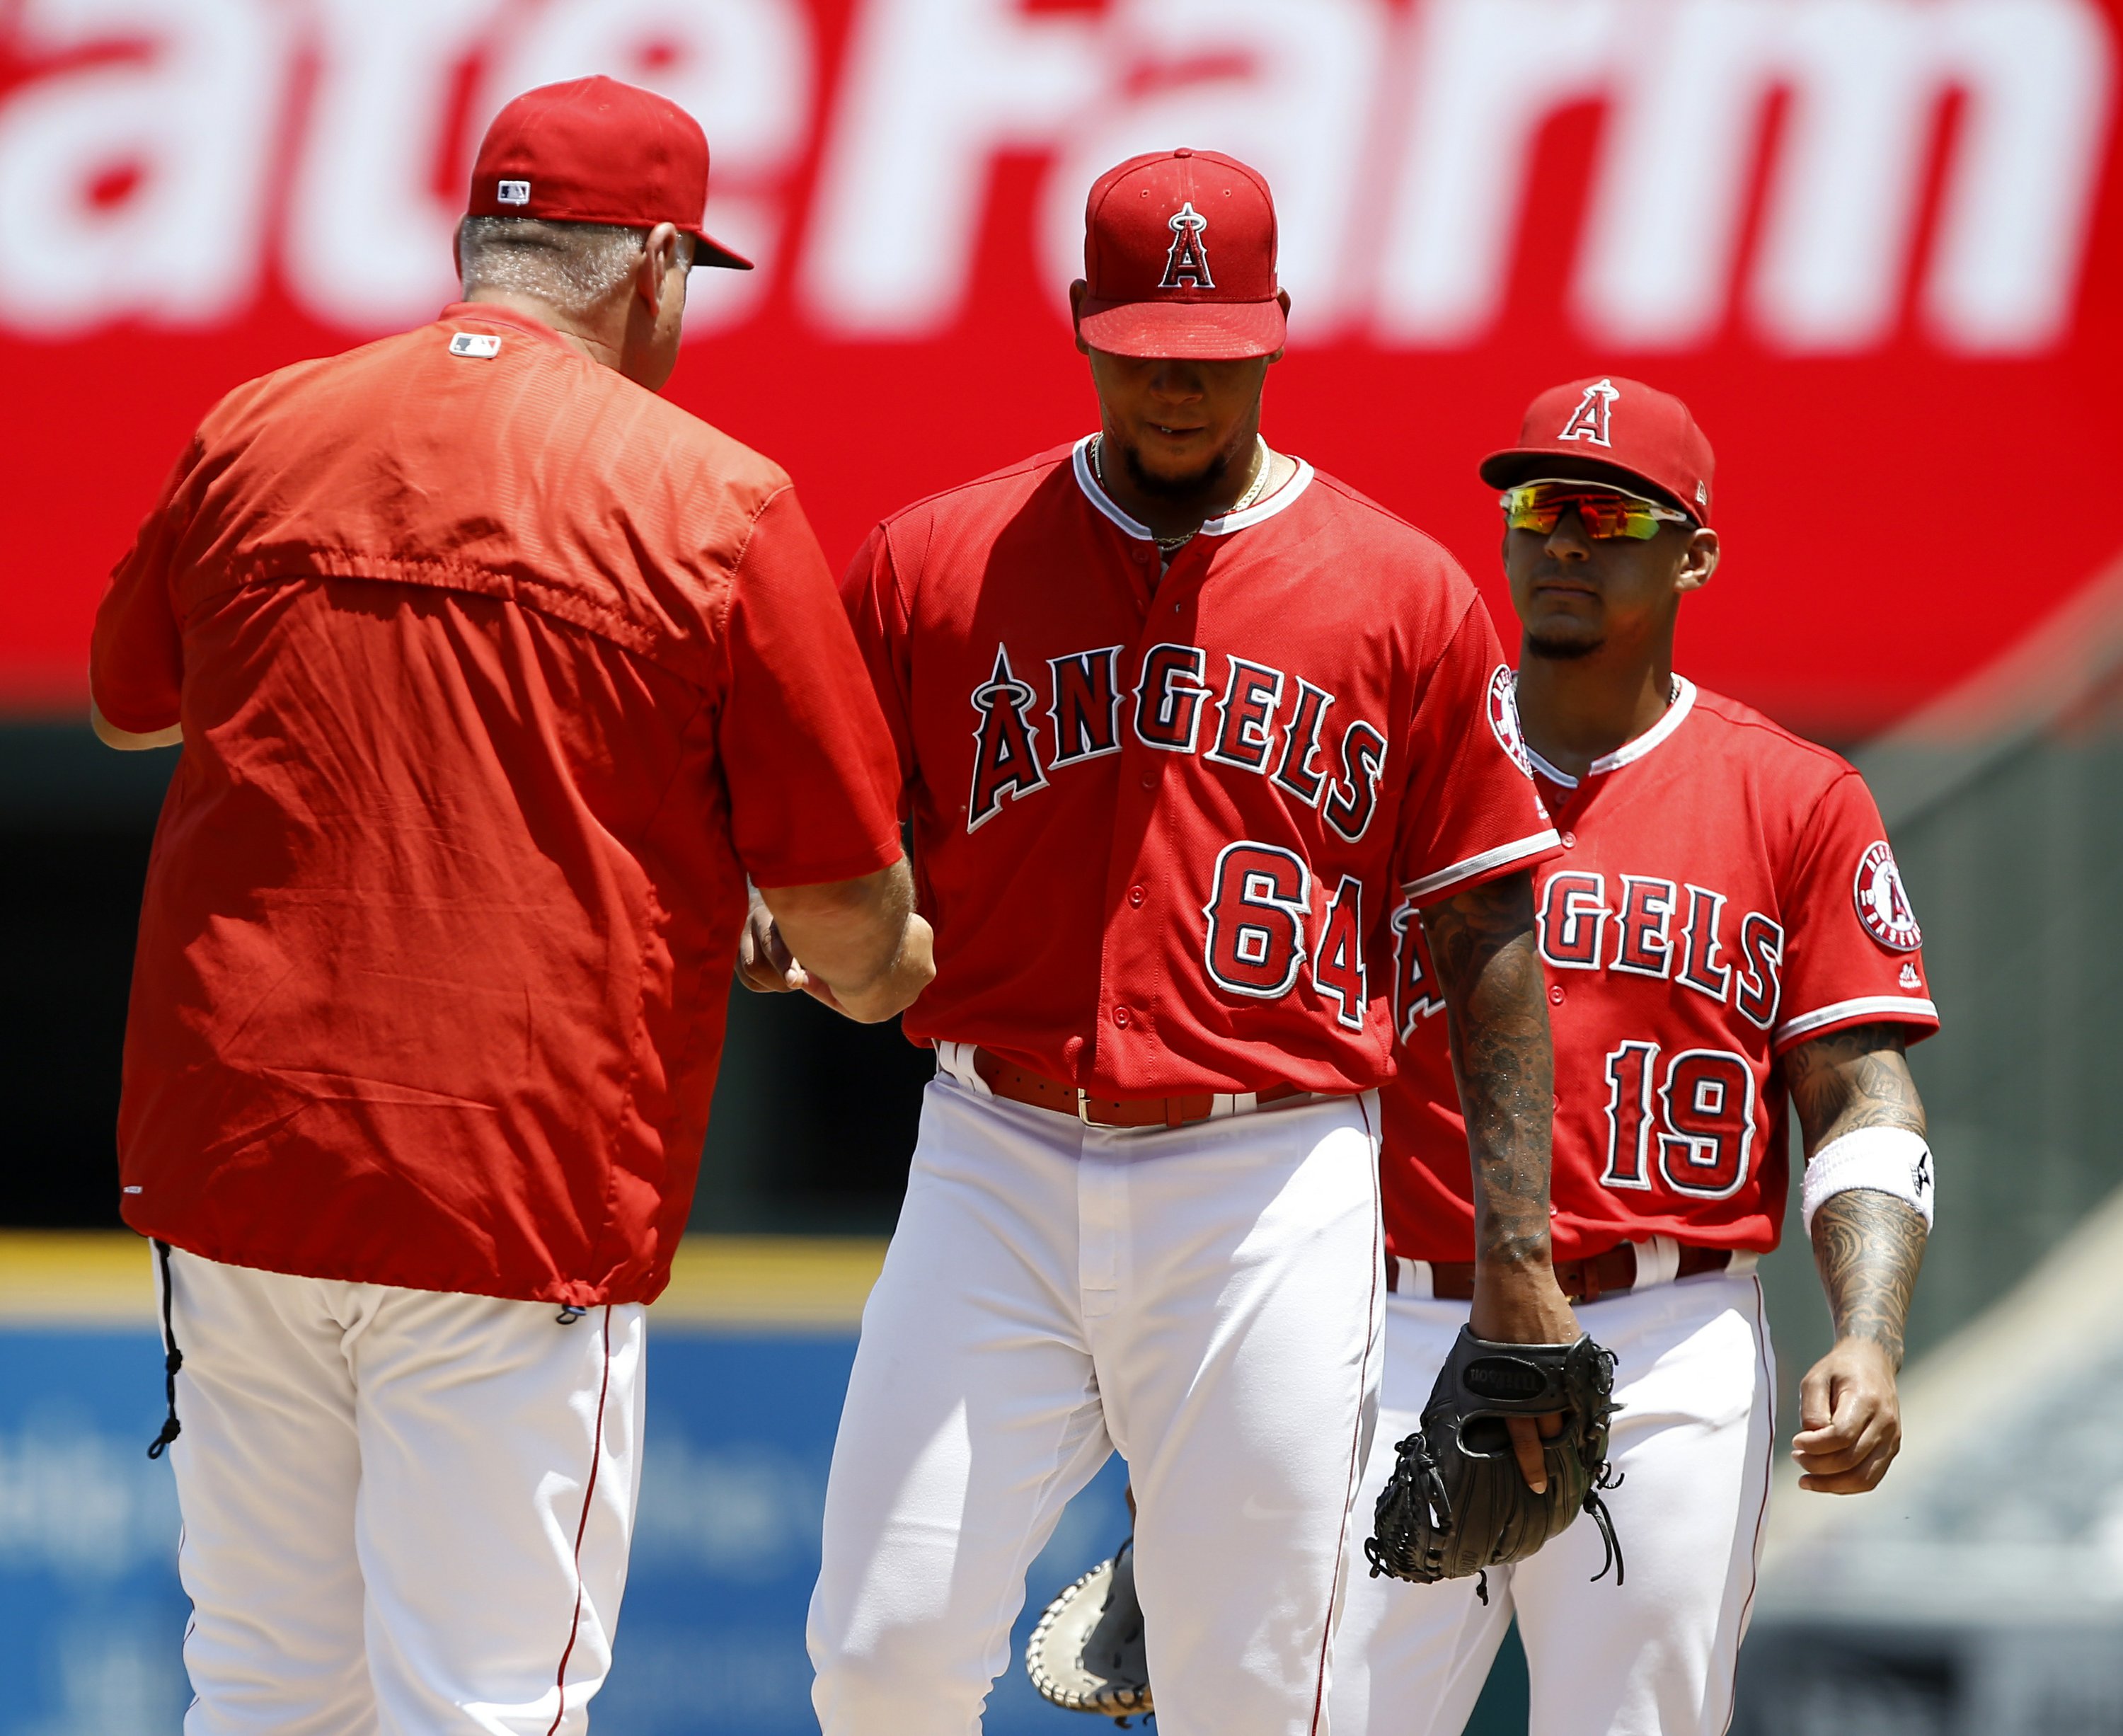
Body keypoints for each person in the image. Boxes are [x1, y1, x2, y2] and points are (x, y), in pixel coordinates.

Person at [88, 75, 929, 1735]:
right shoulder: (713, 496)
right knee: (488, 1707)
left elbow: (127, 701)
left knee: (259, 1689)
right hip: (509, 1190)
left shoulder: (261, 423)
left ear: (483, 242)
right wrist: (880, 964)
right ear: (658, 270)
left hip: (237, 1165)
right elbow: (846, 905)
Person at [747, 148, 1575, 1736]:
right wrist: (785, 917)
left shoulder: (1402, 591)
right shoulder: (937, 563)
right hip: (994, 1150)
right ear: (1078, 323)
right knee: (880, 1650)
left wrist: (1514, 1255)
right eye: (1142, 353)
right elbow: (822, 848)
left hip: (1265, 1181)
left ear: (1276, 336)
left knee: (1260, 1689)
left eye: (1212, 359)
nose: (1178, 391)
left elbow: (1485, 927)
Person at [1330, 377, 1939, 1736]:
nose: (1563, 541)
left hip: (1667, 1340)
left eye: (1610, 513)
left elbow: (1863, 1092)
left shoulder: (1793, 796)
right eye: (1541, 506)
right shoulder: (1400, 770)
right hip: (1397, 1319)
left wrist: (1871, 1331)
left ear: (1695, 554)